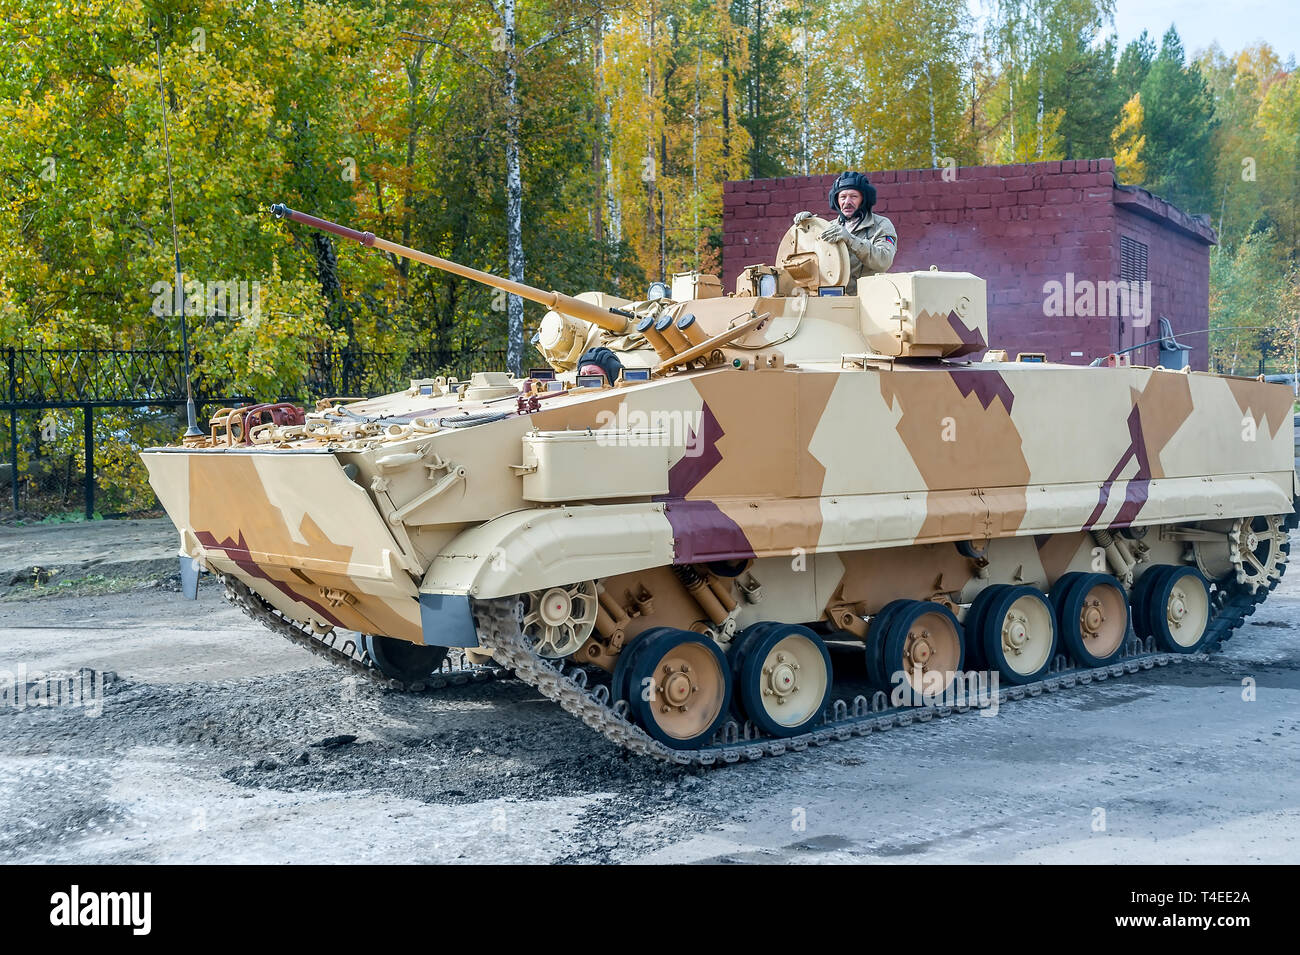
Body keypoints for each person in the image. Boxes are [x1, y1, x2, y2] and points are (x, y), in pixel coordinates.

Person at [793, 170, 896, 293]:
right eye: (843, 197)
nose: (847, 202)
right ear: (836, 200)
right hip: (833, 298)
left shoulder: (880, 226)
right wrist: (807, 227)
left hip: (868, 298)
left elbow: (883, 261)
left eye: (853, 196)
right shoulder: (828, 227)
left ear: (864, 199)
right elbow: (809, 261)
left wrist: (850, 240)